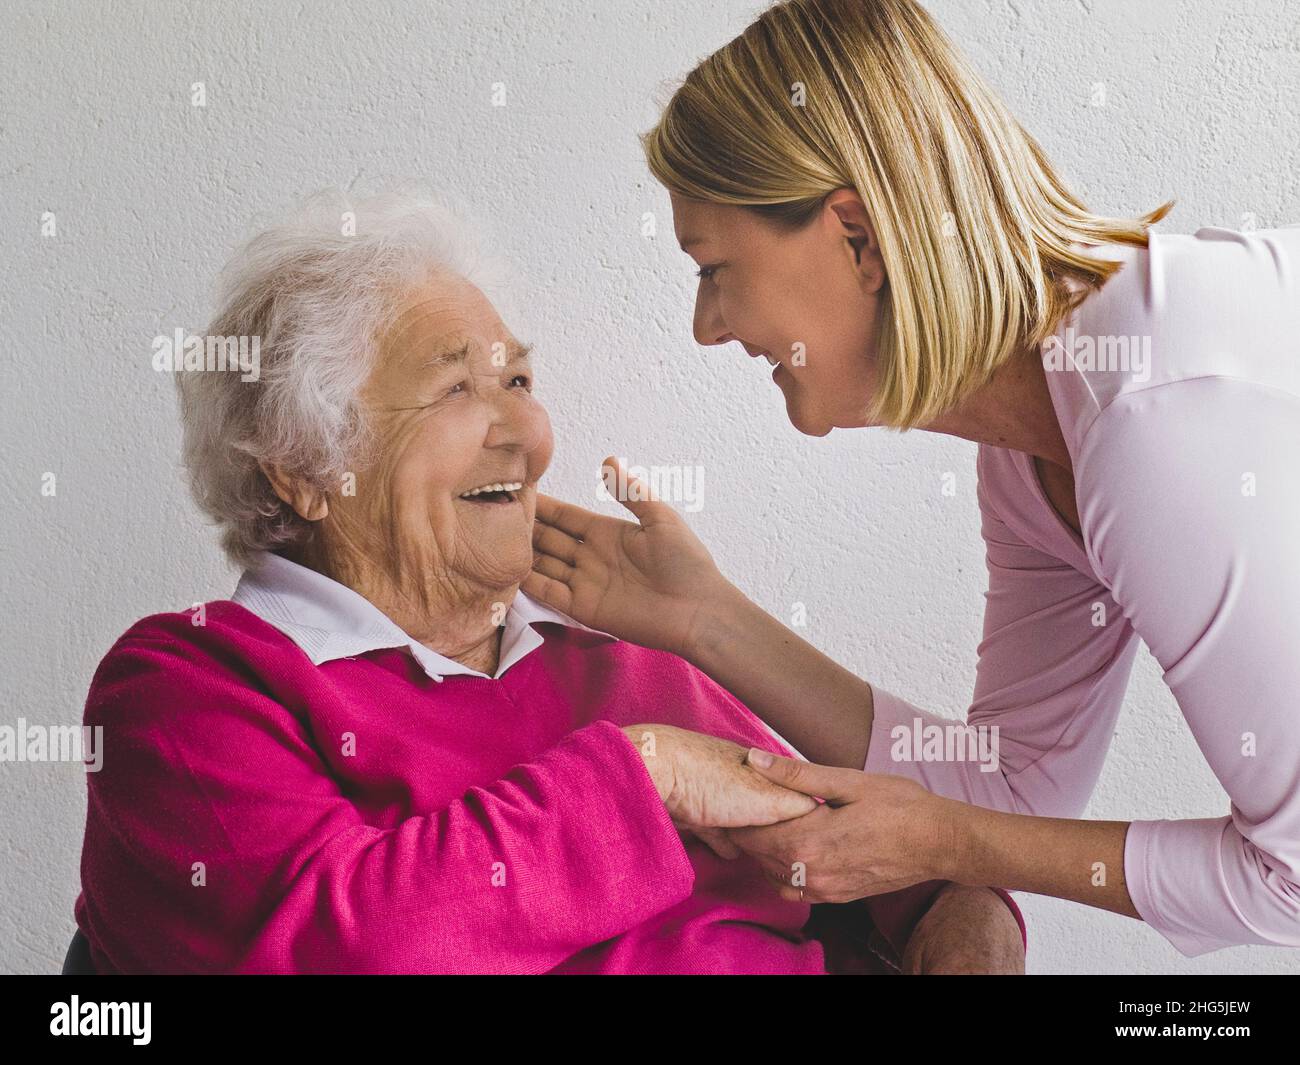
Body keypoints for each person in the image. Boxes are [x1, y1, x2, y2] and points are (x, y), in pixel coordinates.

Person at [72, 190, 1026, 974]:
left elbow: (929, 875)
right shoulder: (186, 688)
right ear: (304, 468)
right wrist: (643, 776)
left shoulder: (619, 657)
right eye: (457, 389)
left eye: (519, 384)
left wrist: (962, 935)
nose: (528, 437)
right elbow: (353, 952)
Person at [527, 0, 1300, 958]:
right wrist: (706, 617)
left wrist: (934, 840)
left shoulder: (1156, 418)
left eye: (714, 268)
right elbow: (1016, 782)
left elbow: (1293, 878)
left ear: (857, 236)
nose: (707, 326)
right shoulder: (1033, 461)